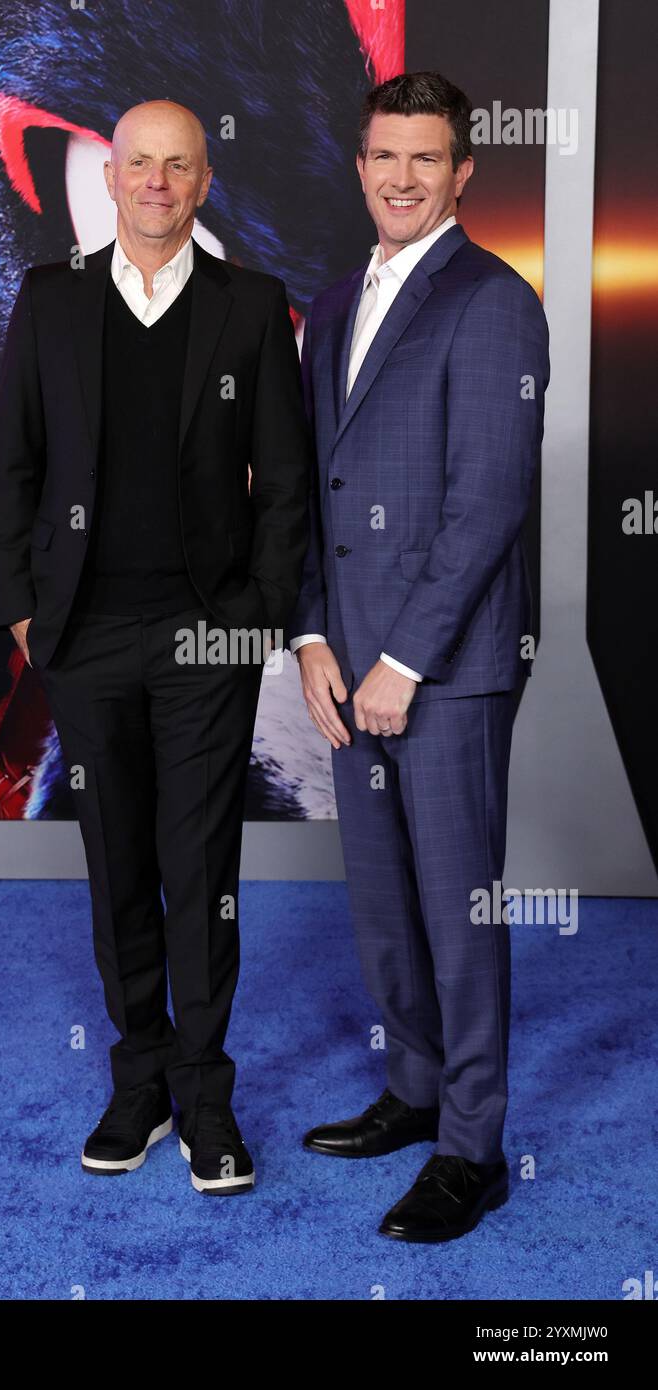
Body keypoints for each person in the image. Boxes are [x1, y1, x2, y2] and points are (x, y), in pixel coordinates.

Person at [0, 100, 310, 1195]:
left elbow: (287, 486)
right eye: (140, 165)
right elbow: (14, 471)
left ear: (204, 182)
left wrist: (258, 613)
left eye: (179, 166)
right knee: (116, 862)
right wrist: (26, 614)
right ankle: (139, 1085)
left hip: (205, 638)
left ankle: (206, 1096)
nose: (158, 183)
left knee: (198, 869)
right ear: (112, 177)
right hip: (84, 634)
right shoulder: (49, 302)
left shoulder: (252, 308)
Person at [289, 71, 549, 1241]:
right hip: (348, 664)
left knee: (458, 910)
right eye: (385, 157)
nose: (403, 178)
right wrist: (310, 634)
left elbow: (488, 500)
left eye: (426, 160)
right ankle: (411, 1090)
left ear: (463, 174)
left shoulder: (494, 300)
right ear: (360, 167)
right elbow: (314, 488)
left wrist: (405, 660)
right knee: (386, 906)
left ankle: (472, 1147)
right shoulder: (337, 303)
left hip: (443, 670)